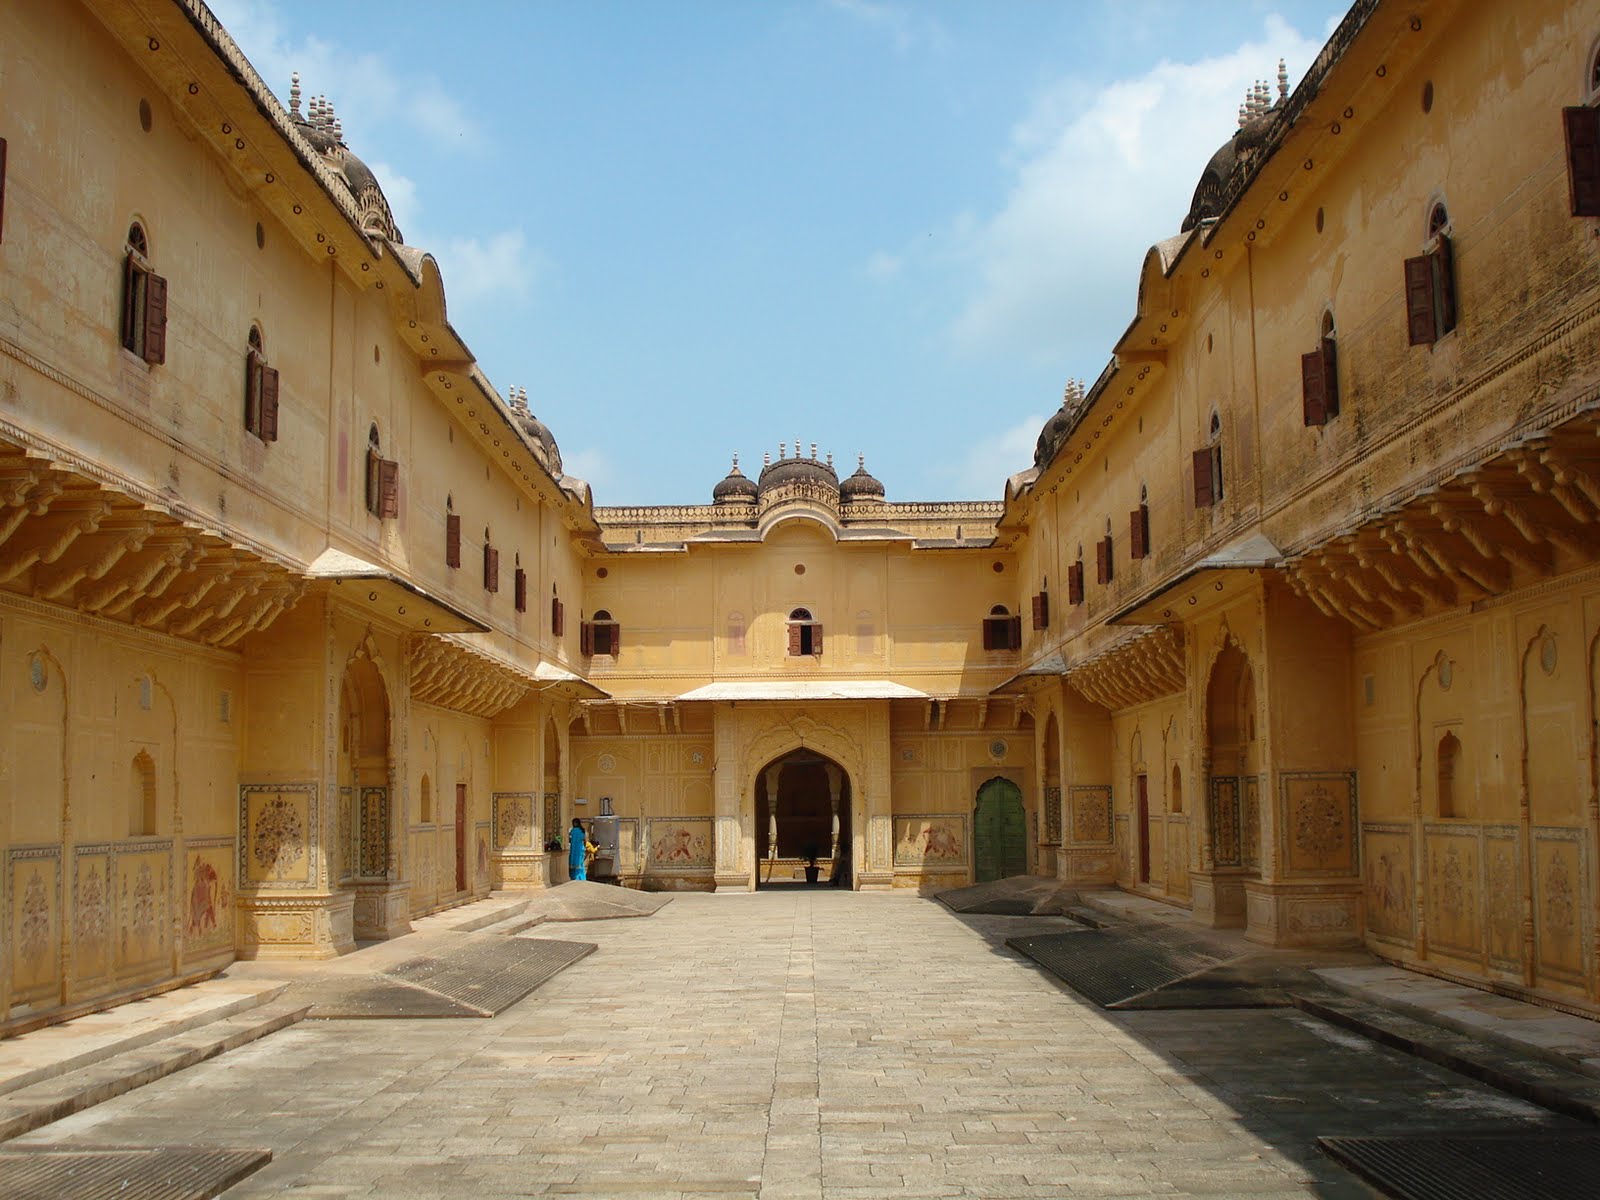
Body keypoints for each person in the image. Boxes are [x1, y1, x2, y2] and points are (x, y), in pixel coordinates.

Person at [568, 816, 596, 882]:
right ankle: (581, 877)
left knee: (573, 863)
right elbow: (585, 840)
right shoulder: (583, 831)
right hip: (580, 849)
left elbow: (569, 839)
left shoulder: (572, 831)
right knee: (580, 864)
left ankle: (574, 877)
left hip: (574, 849)